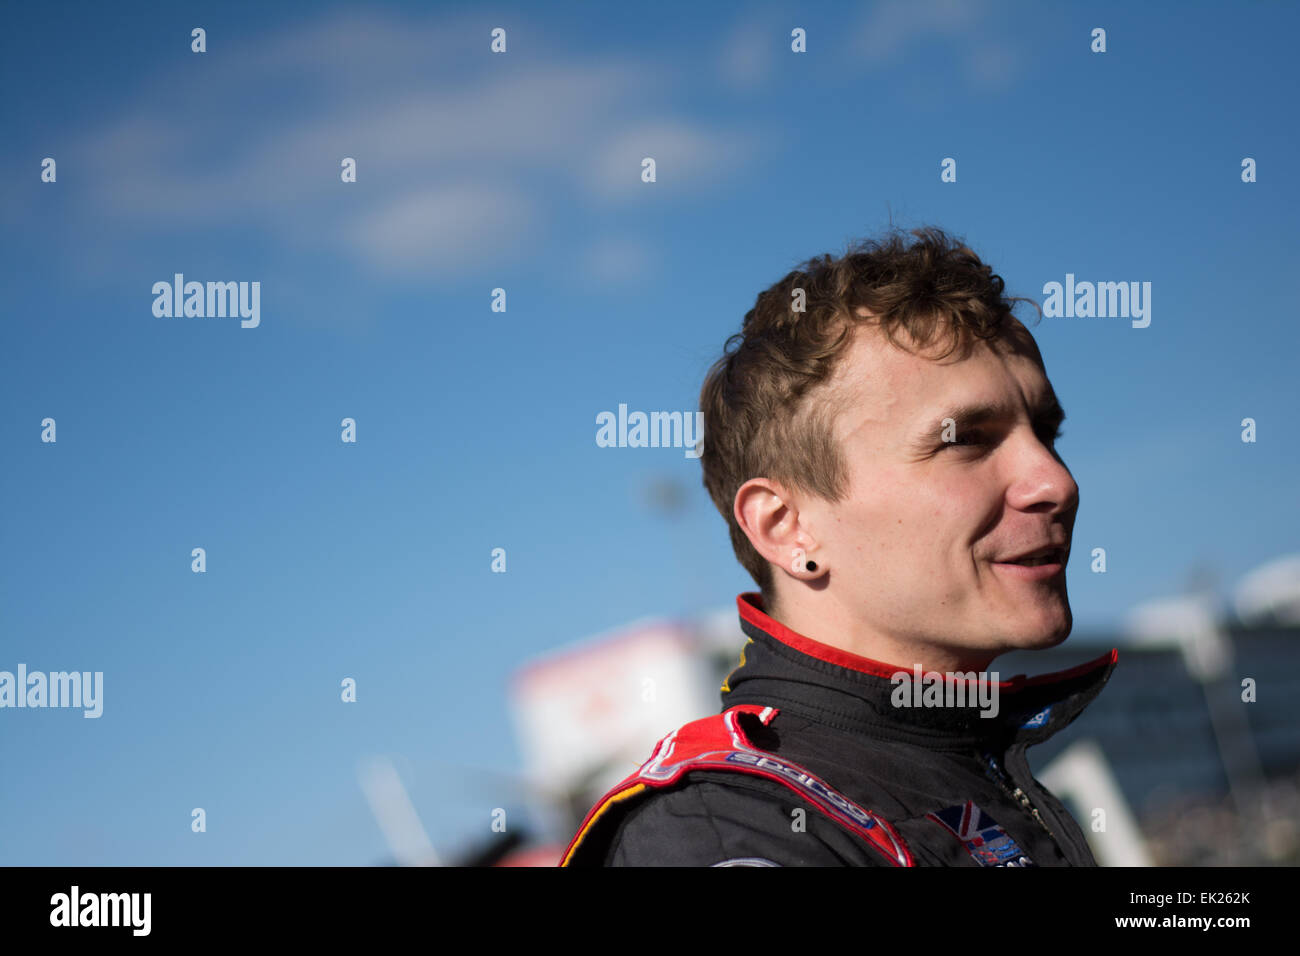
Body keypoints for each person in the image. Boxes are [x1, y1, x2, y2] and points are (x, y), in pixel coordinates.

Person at [560, 225, 1117, 867]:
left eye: (1046, 433)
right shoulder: (724, 831)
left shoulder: (955, 761)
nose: (1055, 482)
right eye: (966, 439)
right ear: (787, 528)